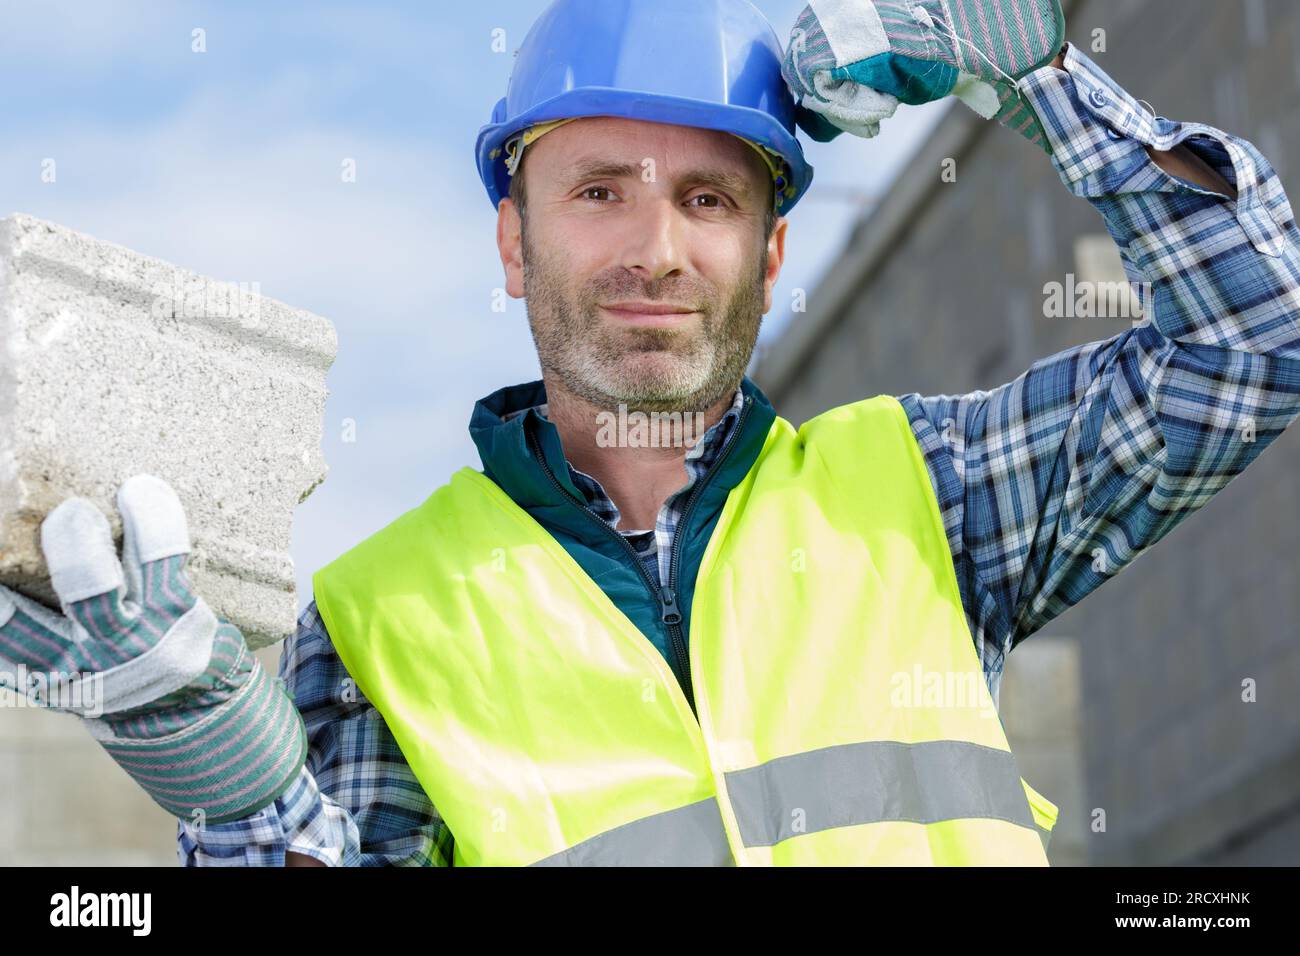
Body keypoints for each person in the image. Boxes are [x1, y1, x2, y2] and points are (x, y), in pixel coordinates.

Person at [3, 0, 1296, 866]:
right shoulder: (379, 623)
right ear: (514, 241)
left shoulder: (931, 493)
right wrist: (239, 802)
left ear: (772, 249)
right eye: (599, 192)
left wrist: (1043, 84)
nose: (657, 251)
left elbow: (1256, 342)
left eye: (708, 197)